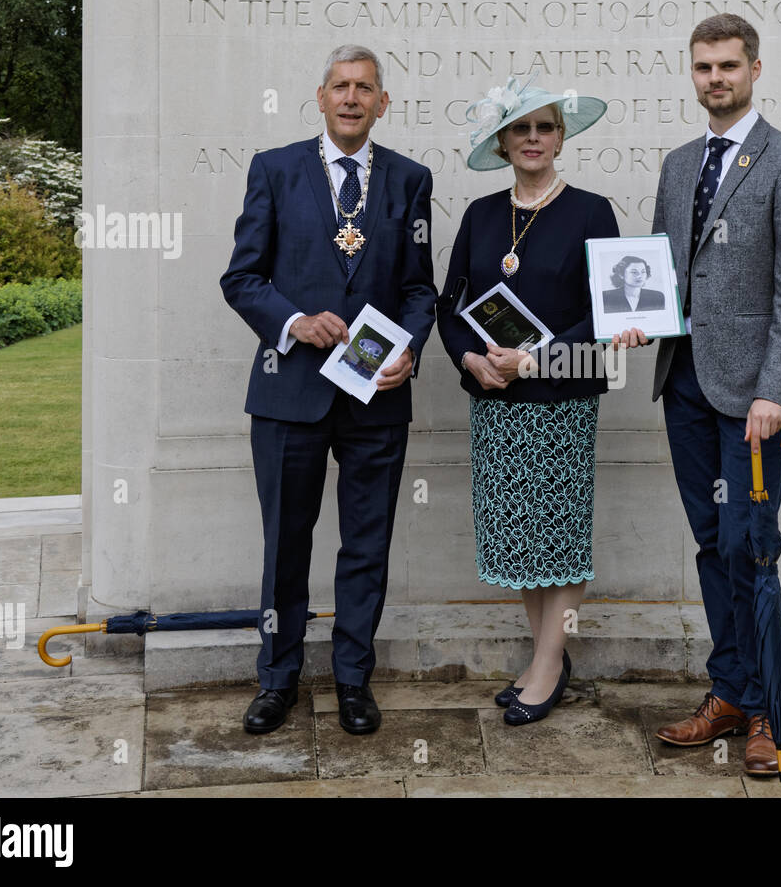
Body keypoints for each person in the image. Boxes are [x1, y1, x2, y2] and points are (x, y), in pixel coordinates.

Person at [618, 14, 781, 776]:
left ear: (755, 70)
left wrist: (775, 389)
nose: (716, 78)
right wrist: (638, 324)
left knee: (753, 549)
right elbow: (665, 274)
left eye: (729, 66)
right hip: (685, 388)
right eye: (704, 67)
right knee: (712, 544)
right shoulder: (678, 165)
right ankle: (729, 692)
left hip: (754, 402)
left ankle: (769, 713)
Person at [220, 45, 437, 736]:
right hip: (289, 395)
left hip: (376, 398)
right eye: (340, 87)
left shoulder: (410, 180)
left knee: (366, 545)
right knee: (286, 542)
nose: (351, 97)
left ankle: (352, 680)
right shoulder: (275, 170)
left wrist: (405, 349)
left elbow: (418, 290)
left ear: (382, 103)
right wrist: (295, 322)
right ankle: (277, 679)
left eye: (364, 88)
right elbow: (243, 278)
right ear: (320, 98)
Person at [437, 77, 618, 725]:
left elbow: (608, 315)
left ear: (561, 137)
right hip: (497, 401)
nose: (534, 138)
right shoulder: (482, 216)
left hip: (562, 397)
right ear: (503, 142)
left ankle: (548, 663)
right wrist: (470, 358)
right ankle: (548, 655)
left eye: (545, 127)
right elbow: (450, 307)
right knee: (520, 536)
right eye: (521, 129)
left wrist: (534, 358)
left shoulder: (592, 211)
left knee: (560, 538)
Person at [602, 256, 667, 313]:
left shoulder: (657, 297)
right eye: (634, 272)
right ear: (621, 274)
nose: (639, 276)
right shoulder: (606, 297)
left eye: (643, 272)